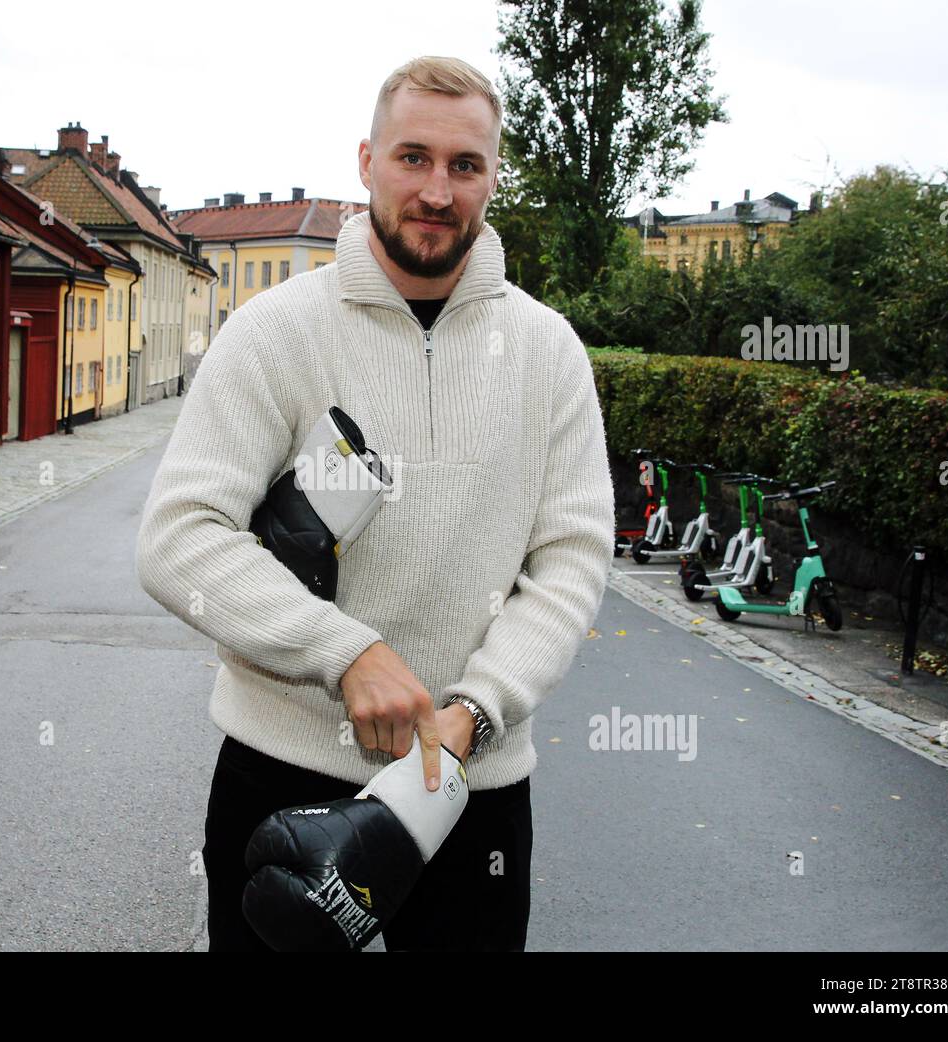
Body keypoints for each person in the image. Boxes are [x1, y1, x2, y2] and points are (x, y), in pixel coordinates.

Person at [135, 55, 614, 951]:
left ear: (493, 178)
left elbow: (574, 557)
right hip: (283, 773)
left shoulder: (549, 352)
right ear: (366, 162)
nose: (437, 189)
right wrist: (344, 654)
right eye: (413, 157)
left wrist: (474, 712)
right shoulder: (275, 332)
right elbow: (178, 539)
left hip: (474, 790)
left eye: (464, 166)